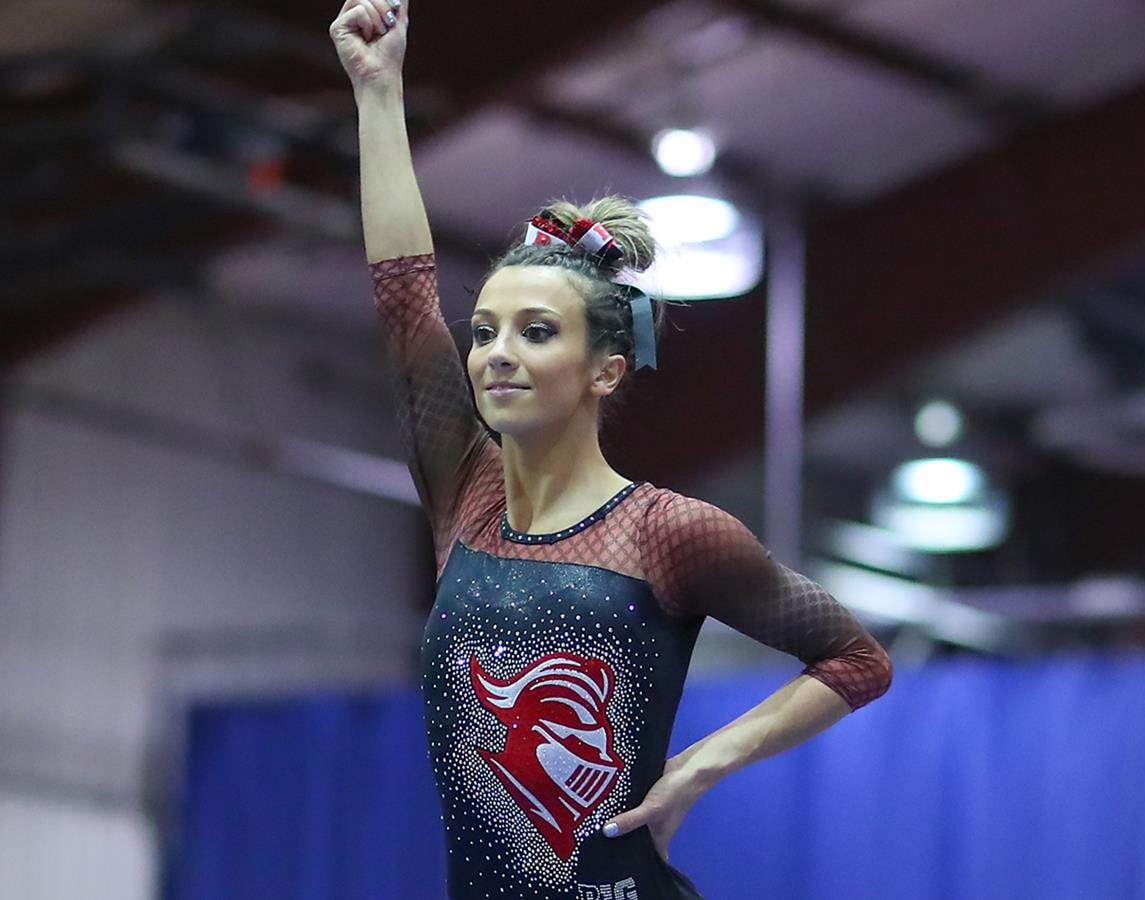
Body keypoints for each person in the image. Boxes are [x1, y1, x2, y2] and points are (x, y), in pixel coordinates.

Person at [331, 3, 892, 897]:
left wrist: (701, 766)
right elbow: (404, 297)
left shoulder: (670, 533)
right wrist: (378, 91)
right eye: (484, 332)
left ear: (605, 369)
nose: (496, 352)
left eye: (536, 331)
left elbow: (857, 660)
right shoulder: (462, 492)